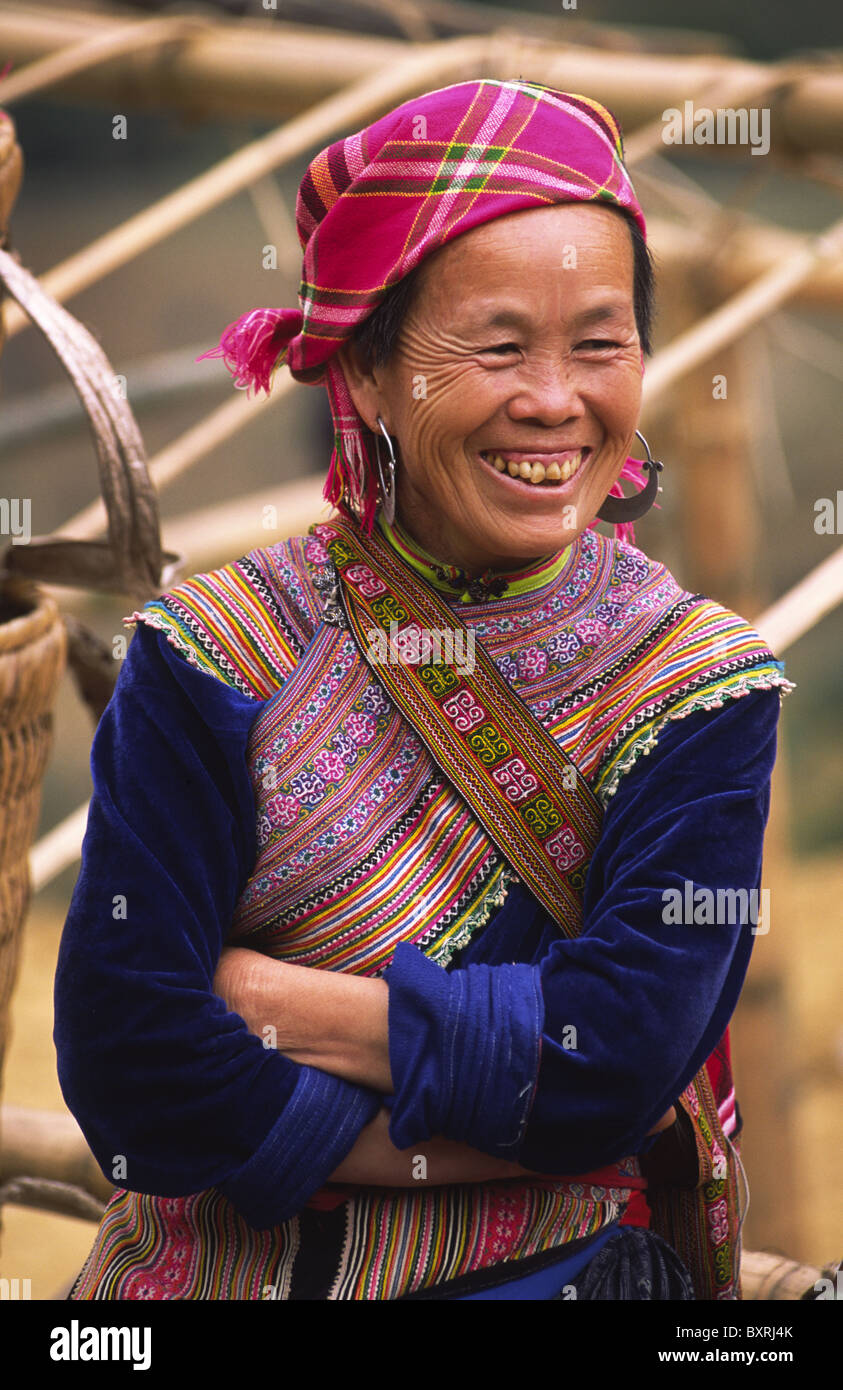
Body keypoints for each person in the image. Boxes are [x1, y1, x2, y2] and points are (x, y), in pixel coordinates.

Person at [54, 79, 792, 1301]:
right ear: (369, 372)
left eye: (600, 343)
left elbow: (614, 1062)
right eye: (498, 345)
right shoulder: (212, 651)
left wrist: (273, 1003)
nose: (555, 399)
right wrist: (459, 1143)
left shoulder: (699, 687)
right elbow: (131, 1056)